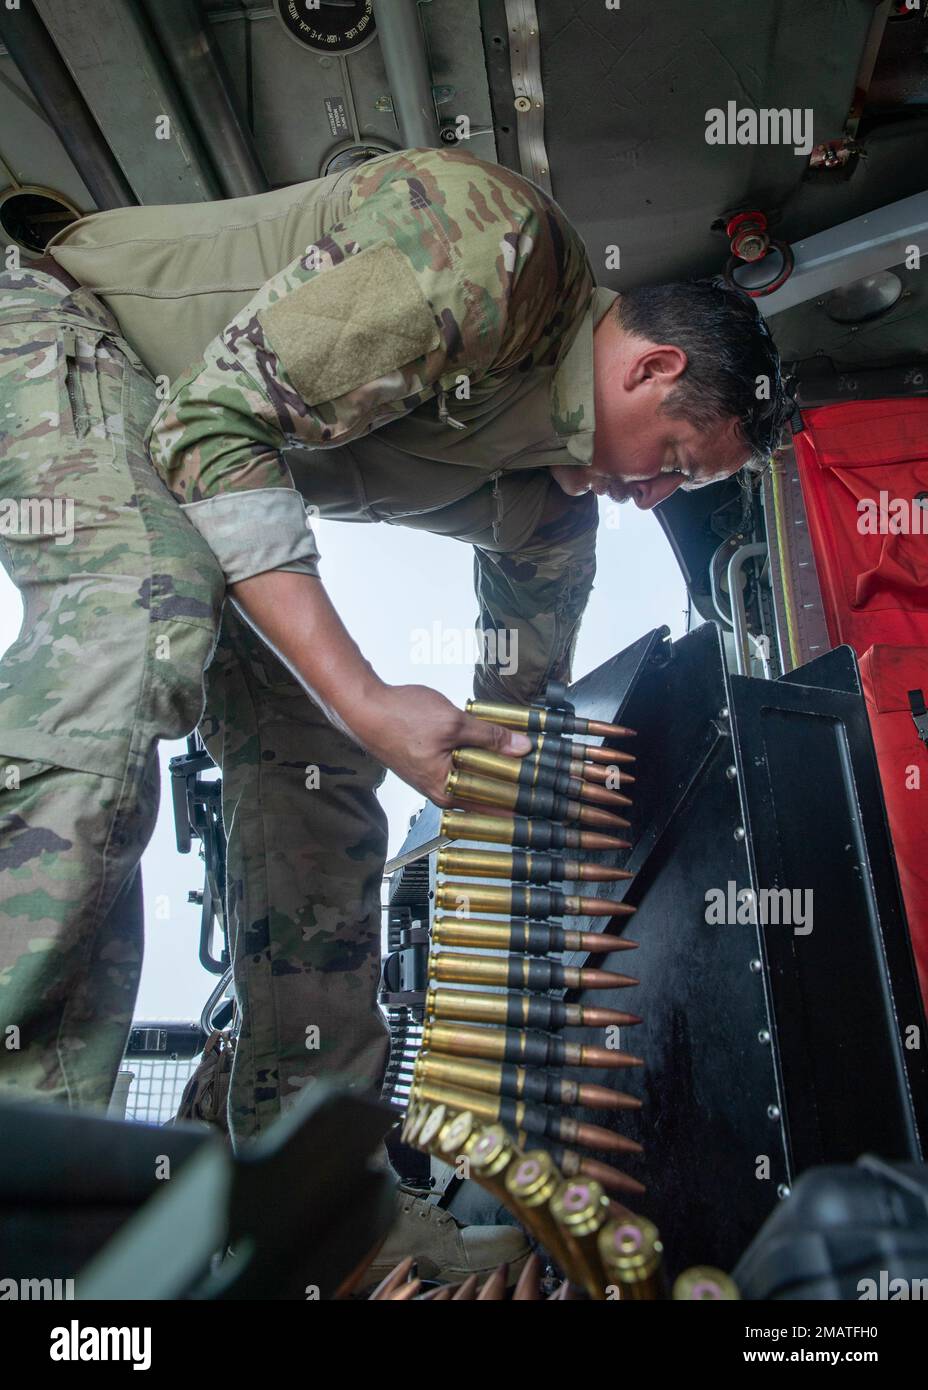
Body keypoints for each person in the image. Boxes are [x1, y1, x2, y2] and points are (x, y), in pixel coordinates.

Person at [0, 144, 789, 1280]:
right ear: (651, 367)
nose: (653, 493)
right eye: (672, 459)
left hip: (196, 464)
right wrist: (369, 695)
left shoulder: (554, 520)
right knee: (141, 611)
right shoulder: (493, 256)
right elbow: (212, 426)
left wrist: (527, 861)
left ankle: (325, 1206)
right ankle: (31, 1155)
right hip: (80, 341)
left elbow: (504, 736)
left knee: (323, 782)